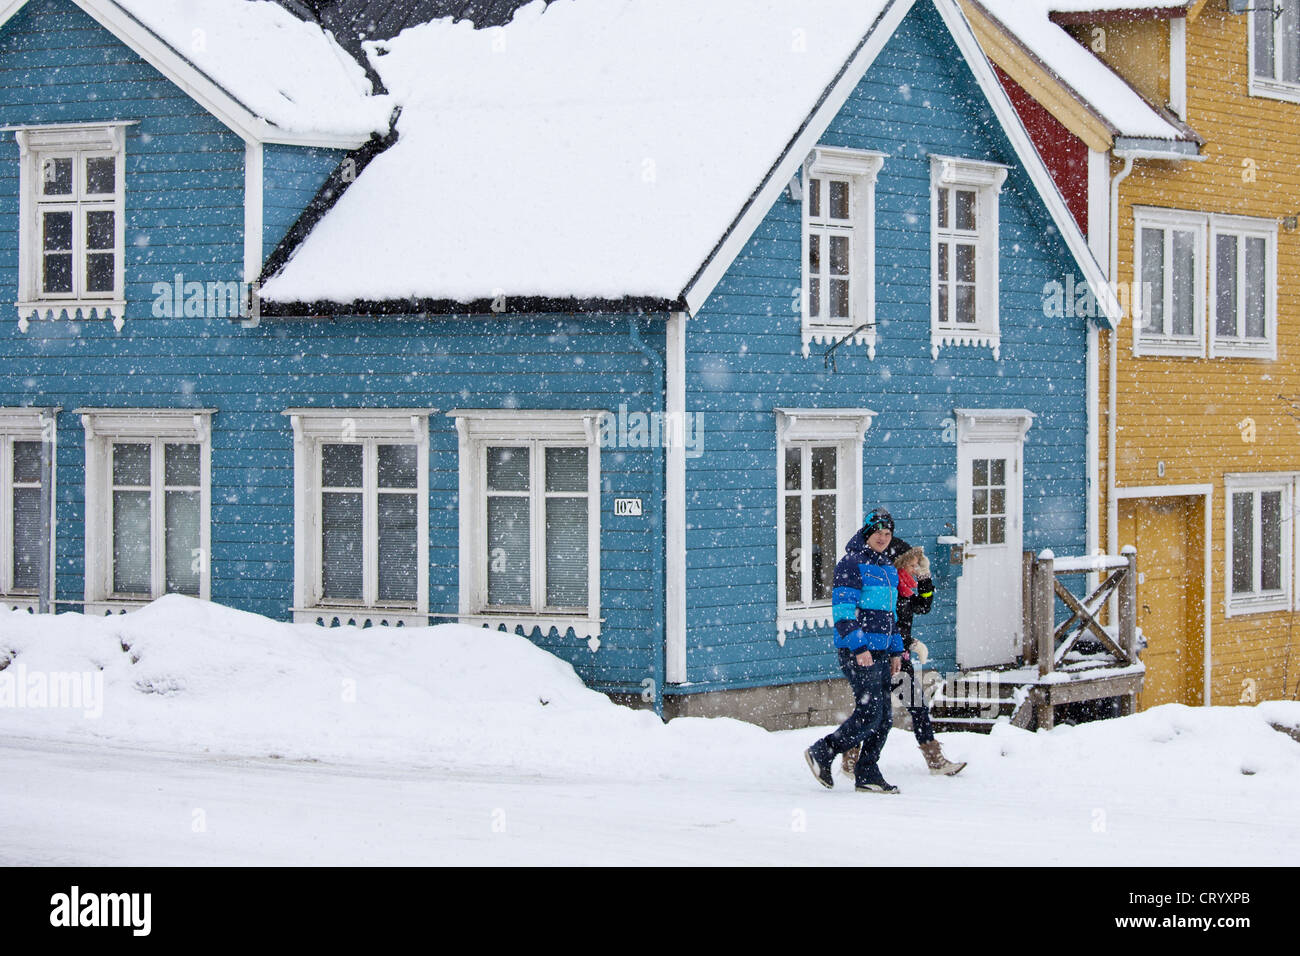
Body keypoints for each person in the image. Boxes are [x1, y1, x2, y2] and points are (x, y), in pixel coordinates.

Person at [840, 538, 966, 776]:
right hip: (885, 658)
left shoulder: (905, 590)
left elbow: (924, 605)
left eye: (919, 565)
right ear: (899, 564)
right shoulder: (889, 592)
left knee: (914, 707)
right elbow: (889, 627)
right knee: (871, 711)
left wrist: (926, 578)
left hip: (900, 657)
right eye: (913, 565)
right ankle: (851, 758)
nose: (915, 569)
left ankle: (935, 760)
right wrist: (911, 643)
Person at [803, 508, 905, 794]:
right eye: (878, 533)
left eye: (888, 534)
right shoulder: (852, 563)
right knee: (870, 711)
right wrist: (859, 646)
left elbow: (890, 615)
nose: (883, 538)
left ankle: (868, 772)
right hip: (857, 651)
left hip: (882, 653)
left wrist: (896, 650)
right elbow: (843, 611)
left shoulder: (887, 569)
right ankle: (823, 750)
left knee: (884, 716)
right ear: (867, 533)